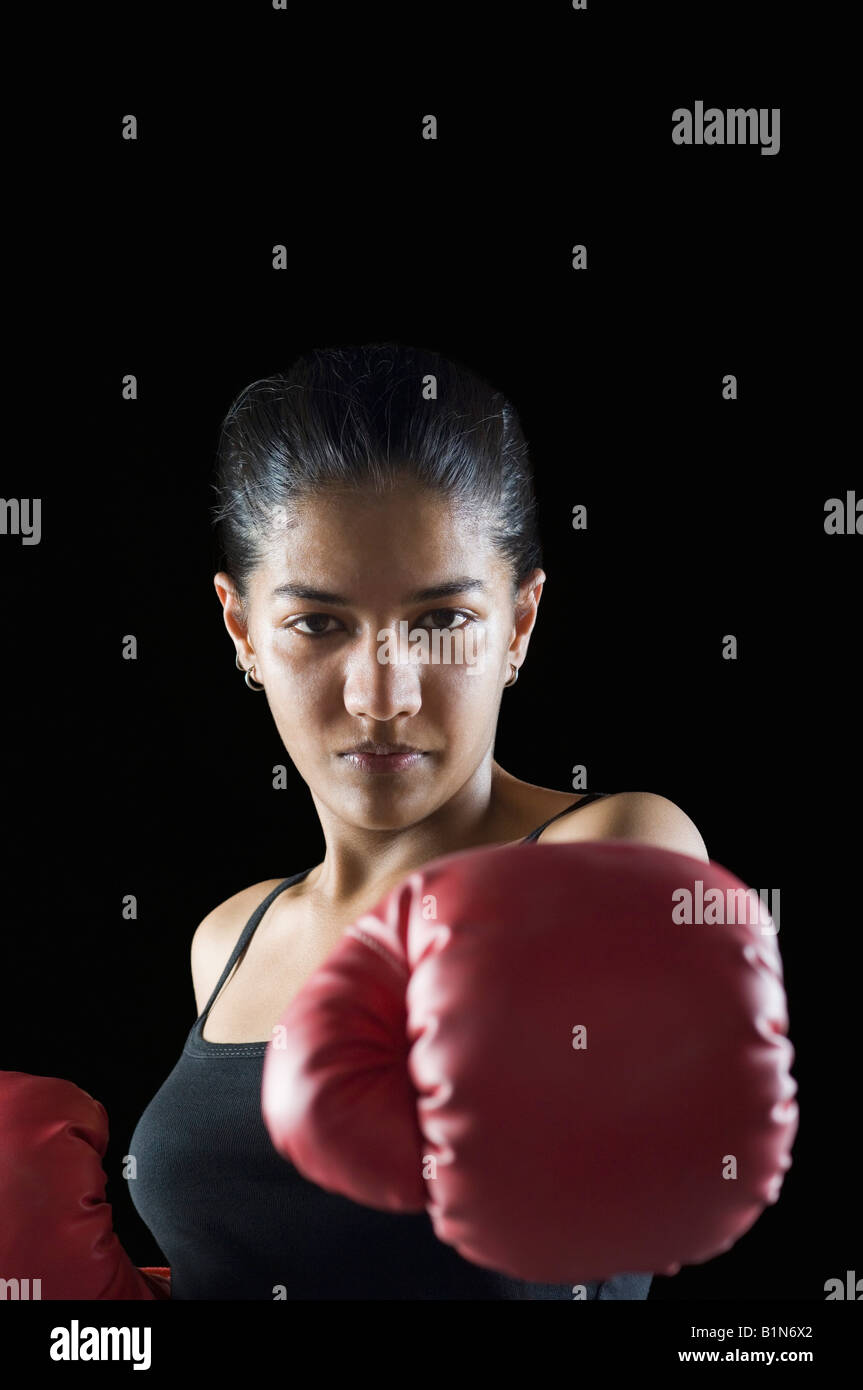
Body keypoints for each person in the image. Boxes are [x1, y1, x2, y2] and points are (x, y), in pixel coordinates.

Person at [124, 342, 723, 1299]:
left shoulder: (618, 851)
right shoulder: (228, 941)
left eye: (442, 619)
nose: (381, 695)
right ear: (240, 631)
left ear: (519, 624)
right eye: (318, 624)